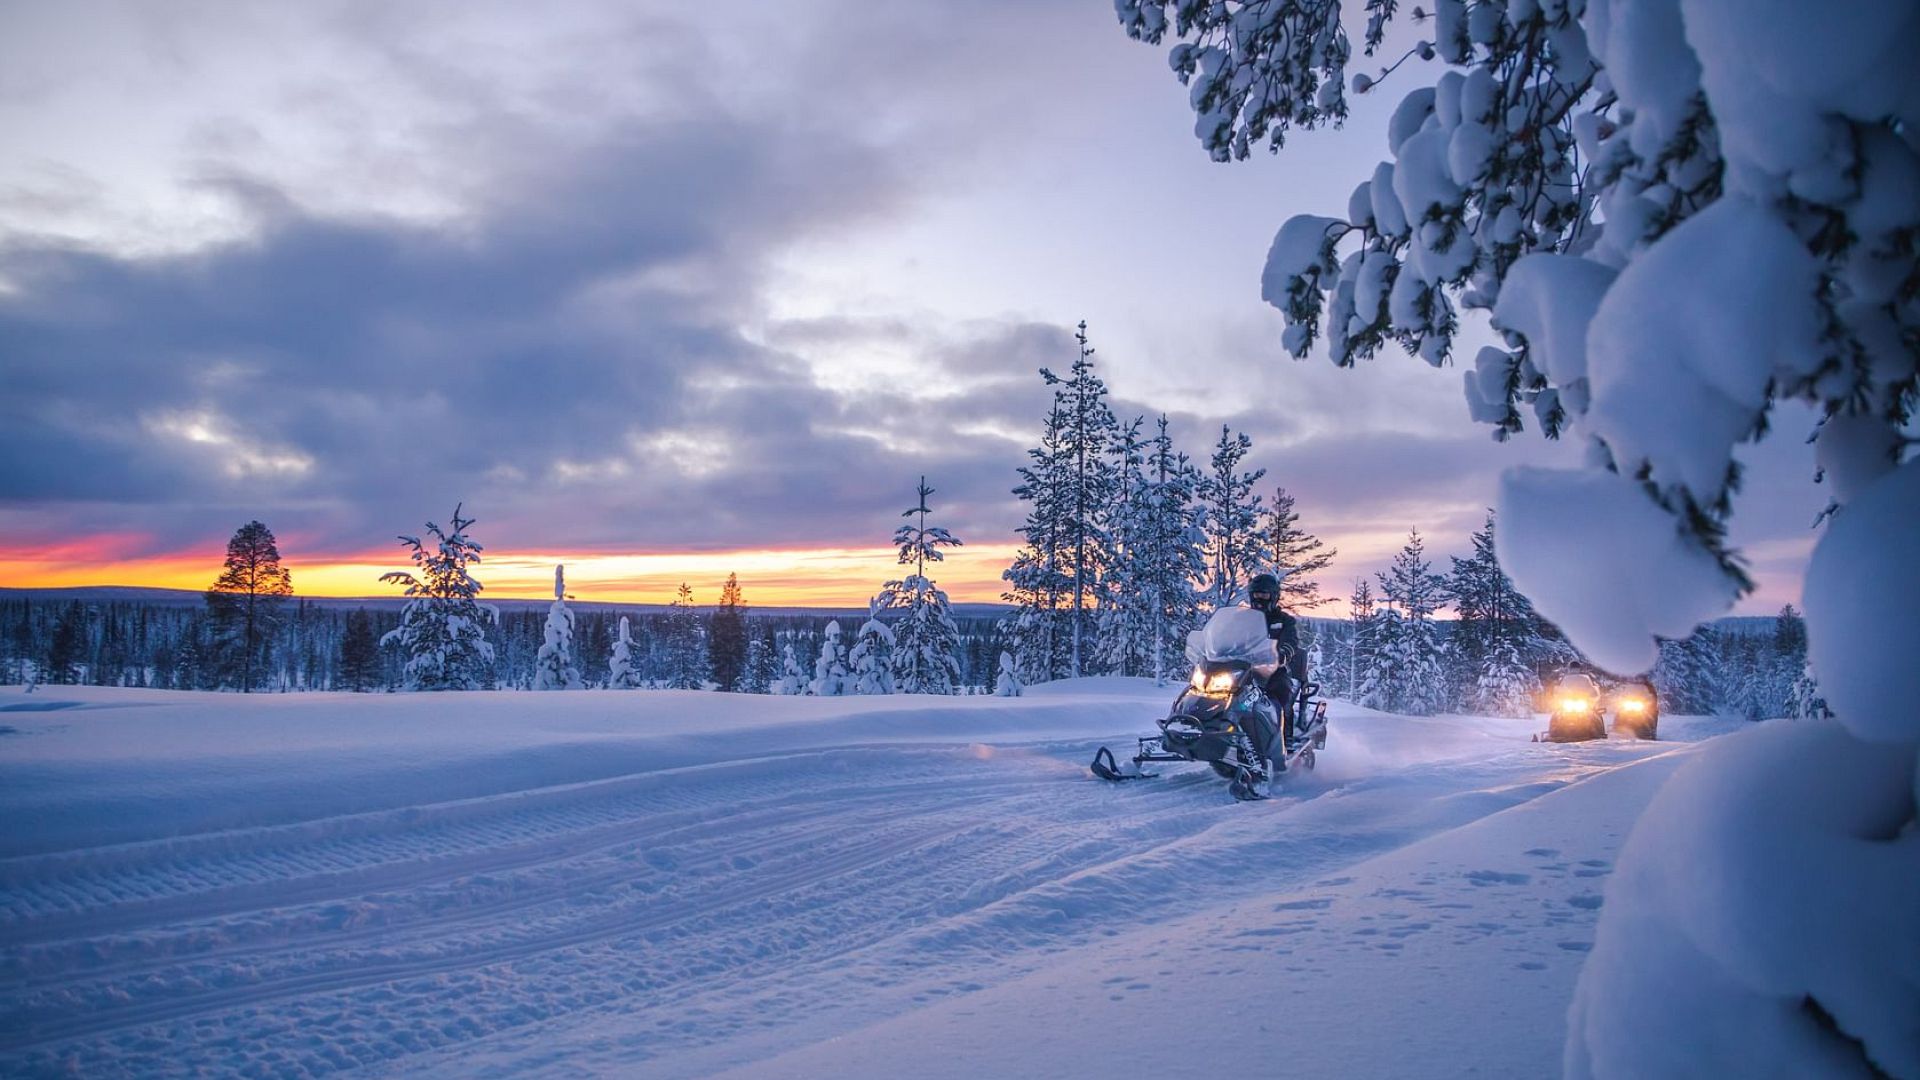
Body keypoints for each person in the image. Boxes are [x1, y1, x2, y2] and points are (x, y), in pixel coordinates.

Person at [1248, 573, 1305, 740]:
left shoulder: (1284, 620)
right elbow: (1228, 636)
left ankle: (1285, 739)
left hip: (1273, 671)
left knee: (1280, 697)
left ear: (1273, 596)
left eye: (1264, 594)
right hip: (1245, 669)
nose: (1259, 598)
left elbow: (1291, 641)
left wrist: (1284, 653)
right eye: (1256, 594)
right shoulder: (1243, 618)